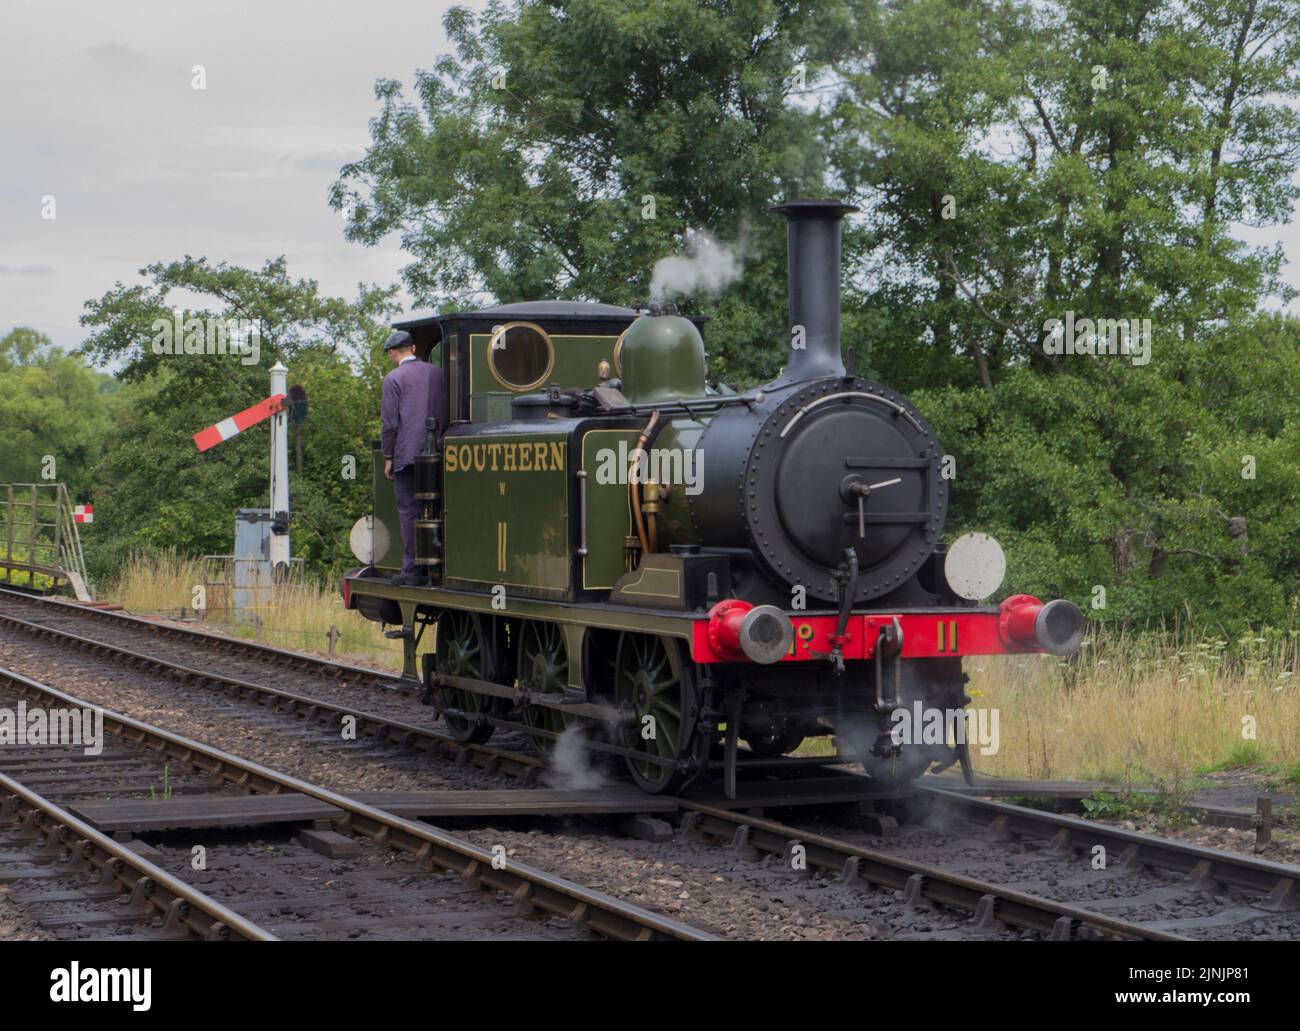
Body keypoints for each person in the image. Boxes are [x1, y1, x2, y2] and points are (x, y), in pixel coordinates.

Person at [380, 330, 447, 585]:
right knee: (437, 509)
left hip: (407, 454)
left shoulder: (393, 379)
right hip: (441, 451)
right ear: (414, 348)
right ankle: (438, 567)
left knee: (409, 510)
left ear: (392, 353)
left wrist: (388, 456)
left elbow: (389, 424)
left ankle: (412, 569)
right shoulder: (438, 373)